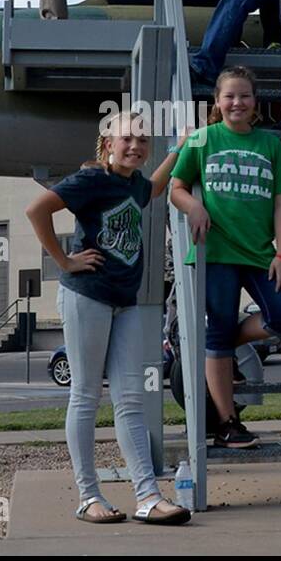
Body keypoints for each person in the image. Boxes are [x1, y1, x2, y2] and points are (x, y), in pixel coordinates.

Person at [25, 112, 190, 525]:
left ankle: (148, 496)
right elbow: (36, 210)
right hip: (88, 296)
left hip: (127, 301)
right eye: (127, 139)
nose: (135, 146)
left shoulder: (134, 184)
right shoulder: (91, 180)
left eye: (142, 140)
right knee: (85, 395)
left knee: (131, 400)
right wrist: (64, 260)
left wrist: (178, 148)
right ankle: (88, 496)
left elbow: (153, 190)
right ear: (107, 145)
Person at [169, 66, 281, 448]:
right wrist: (193, 206)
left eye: (244, 95)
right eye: (229, 96)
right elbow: (176, 188)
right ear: (217, 102)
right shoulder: (201, 139)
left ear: (255, 102)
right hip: (217, 253)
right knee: (218, 331)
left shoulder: (271, 146)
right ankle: (228, 423)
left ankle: (224, 340)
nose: (237, 102)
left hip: (261, 255)